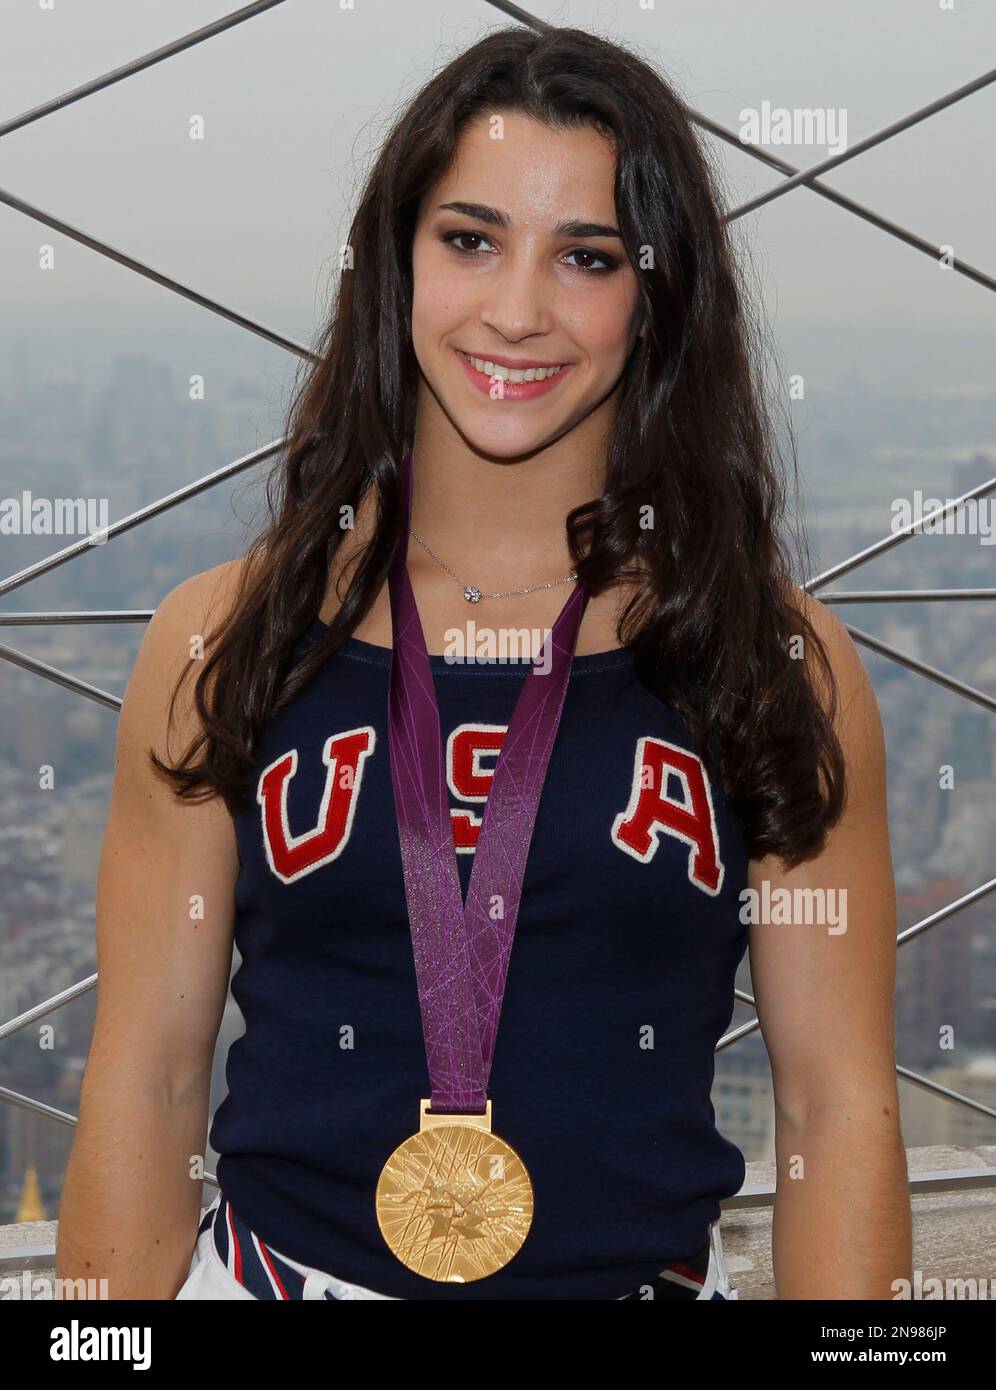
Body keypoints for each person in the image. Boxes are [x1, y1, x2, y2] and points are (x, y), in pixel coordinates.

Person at [55, 25, 911, 1300]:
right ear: (396, 263)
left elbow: (838, 1107)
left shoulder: (775, 660)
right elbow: (149, 1073)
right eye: (469, 239)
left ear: (659, 294)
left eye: (587, 257)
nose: (517, 309)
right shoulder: (218, 640)